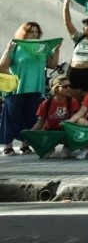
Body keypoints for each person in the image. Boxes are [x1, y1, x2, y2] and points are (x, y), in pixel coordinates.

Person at [1, 21, 57, 155]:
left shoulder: (42, 48)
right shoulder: (16, 46)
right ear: (24, 33)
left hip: (35, 88)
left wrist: (56, 50)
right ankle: (8, 145)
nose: (34, 34)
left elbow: (52, 65)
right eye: (31, 32)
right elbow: (2, 66)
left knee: (30, 117)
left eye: (36, 32)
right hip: (16, 88)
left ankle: (25, 144)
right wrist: (8, 50)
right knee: (11, 116)